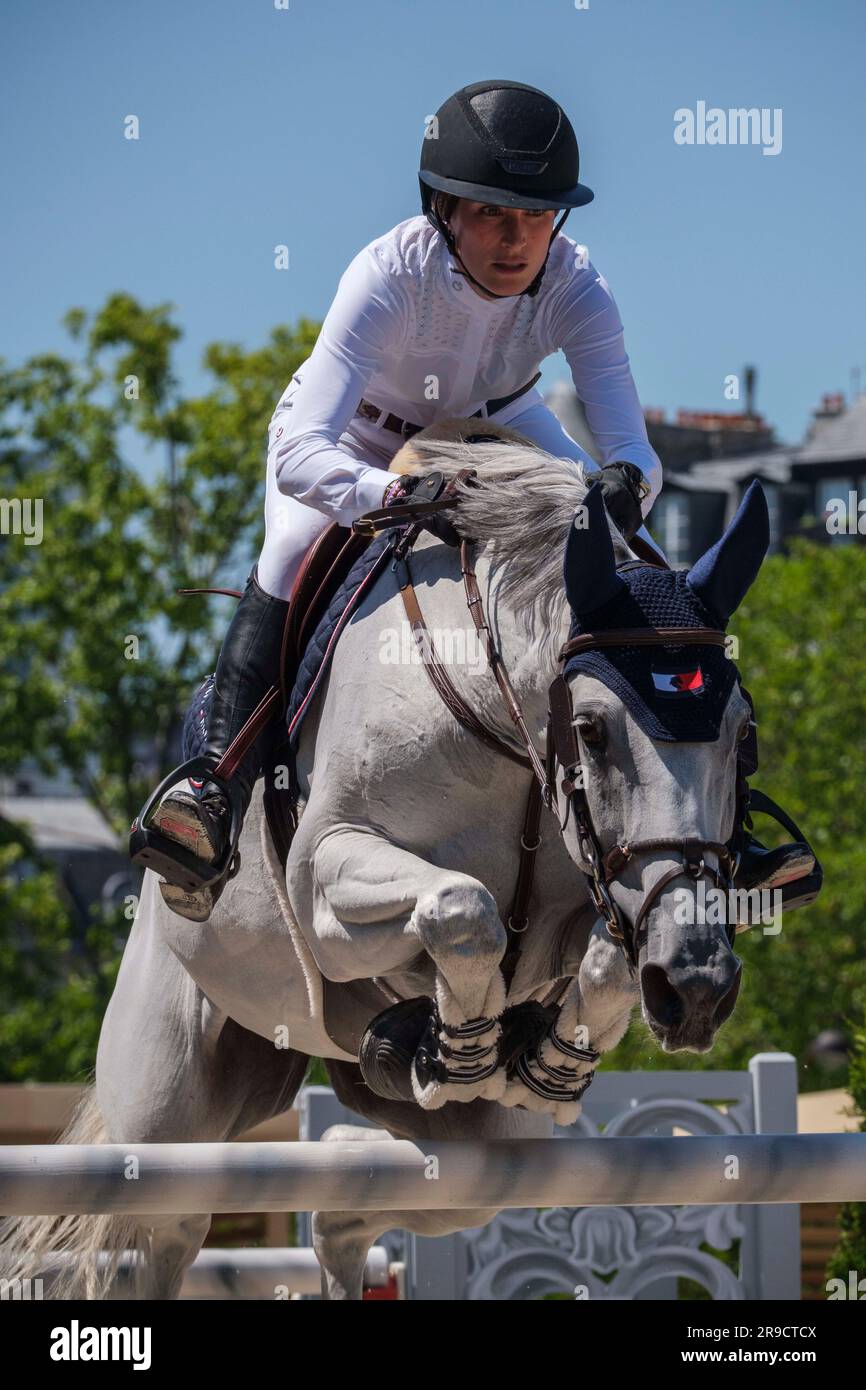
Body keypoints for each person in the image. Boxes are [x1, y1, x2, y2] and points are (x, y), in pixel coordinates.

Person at [130, 79, 818, 922]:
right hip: (362, 439)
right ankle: (214, 784)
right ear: (445, 208)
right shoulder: (386, 275)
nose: (516, 238)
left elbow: (633, 447)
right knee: (290, 548)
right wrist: (396, 491)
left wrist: (625, 485)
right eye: (493, 213)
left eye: (536, 216)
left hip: (501, 426)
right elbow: (303, 456)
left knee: (640, 562)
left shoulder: (577, 284)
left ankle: (729, 820)